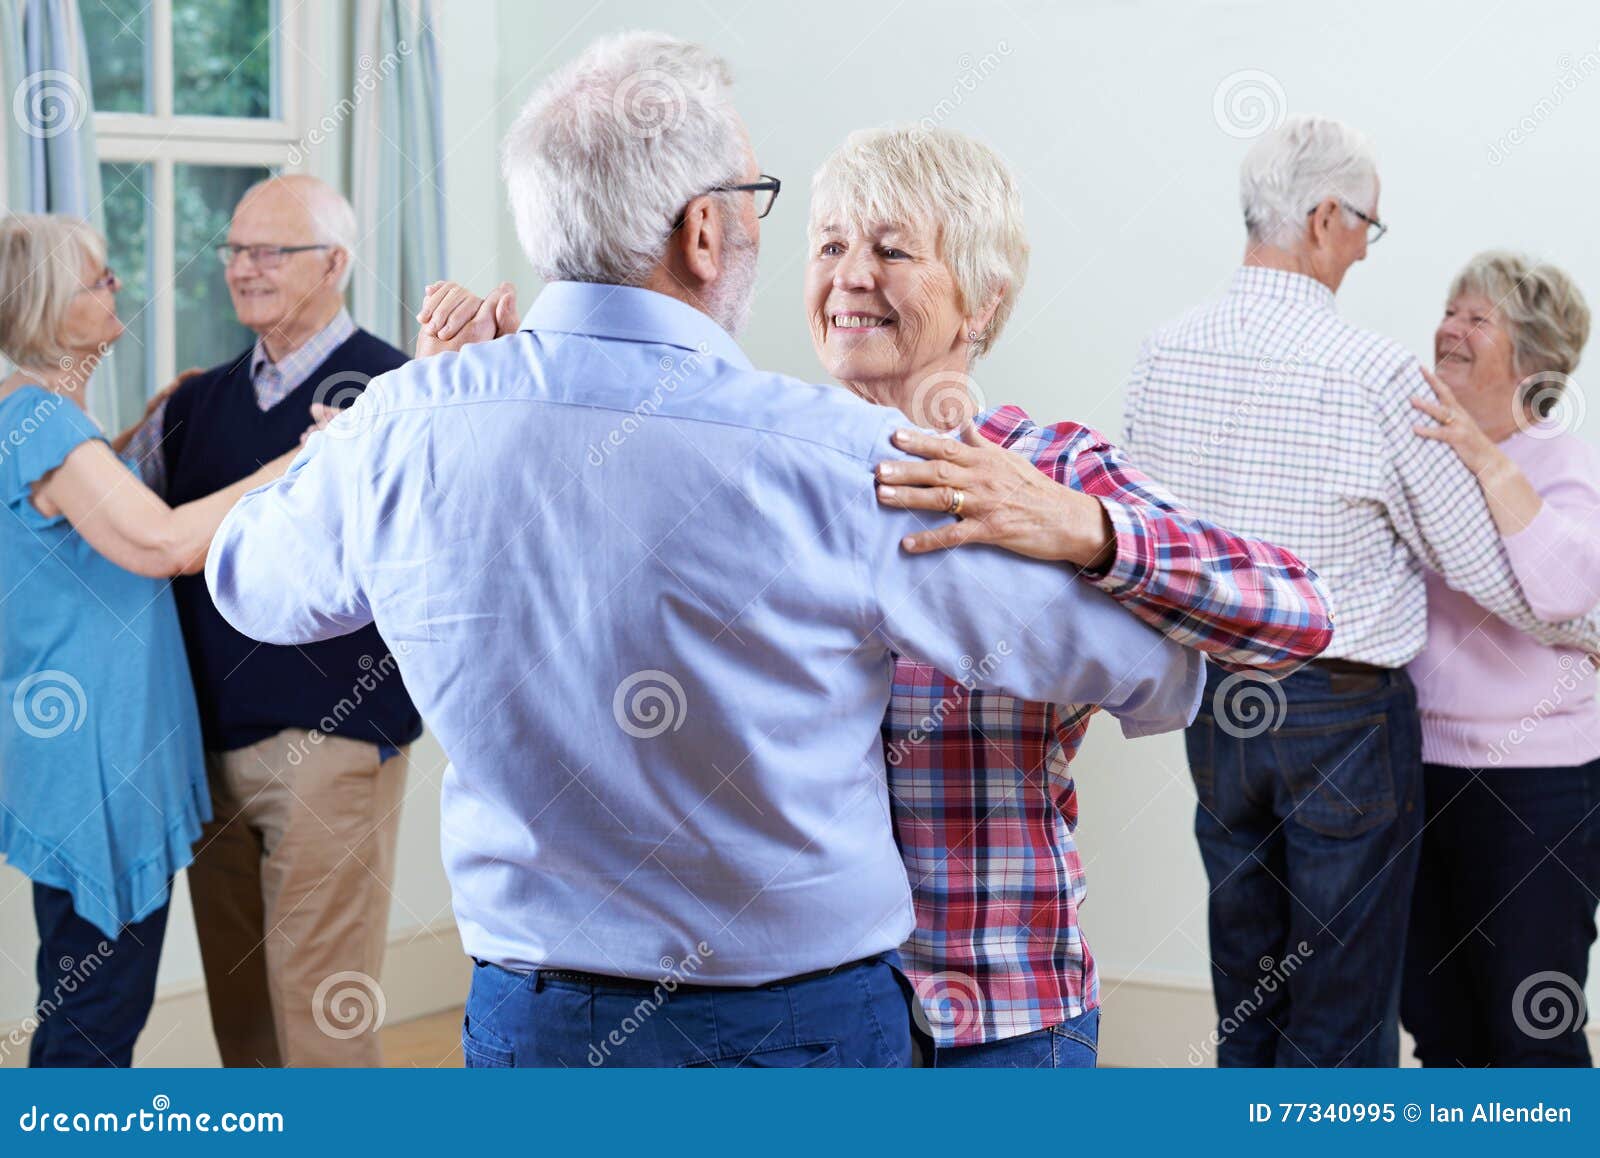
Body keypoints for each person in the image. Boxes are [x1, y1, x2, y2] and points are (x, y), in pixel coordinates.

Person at [202, 31, 1205, 1069]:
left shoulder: (408, 419)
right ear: (701, 234)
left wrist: (398, 427)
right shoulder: (836, 460)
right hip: (791, 1036)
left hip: (529, 1025)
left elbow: (250, 583)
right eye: (758, 201)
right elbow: (1151, 670)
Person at [792, 125, 1332, 1067]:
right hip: (810, 1015)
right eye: (831, 244)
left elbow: (1295, 612)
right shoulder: (776, 463)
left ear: (983, 297)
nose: (849, 276)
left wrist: (1085, 530)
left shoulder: (1050, 467)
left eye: (890, 249)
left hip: (1007, 1009)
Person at [1120, 115, 1600, 1067]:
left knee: (1248, 970)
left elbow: (1144, 532)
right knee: (1347, 997)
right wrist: (1586, 627)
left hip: (1219, 704)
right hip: (1342, 713)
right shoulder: (1372, 372)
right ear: (1328, 217)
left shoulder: (1164, 350)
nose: (1367, 253)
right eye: (1369, 228)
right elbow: (1485, 569)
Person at [122, 175, 424, 1068]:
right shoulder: (195, 402)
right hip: (207, 747)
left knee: (319, 1015)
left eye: (269, 251)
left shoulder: (397, 391)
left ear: (334, 264)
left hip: (333, 744)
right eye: (234, 250)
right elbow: (117, 523)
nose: (244, 268)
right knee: (243, 1015)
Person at [0, 213, 302, 1066]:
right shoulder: (49, 427)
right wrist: (308, 456)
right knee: (97, 1017)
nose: (116, 286)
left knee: (79, 996)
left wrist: (140, 430)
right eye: (98, 278)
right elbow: (164, 542)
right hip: (101, 761)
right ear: (54, 307)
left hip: (68, 747)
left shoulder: (29, 416)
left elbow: (69, 523)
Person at [1400, 252, 1600, 1066]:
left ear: (1534, 361)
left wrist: (1485, 457)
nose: (1450, 327)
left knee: (1530, 1033)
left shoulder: (1563, 459)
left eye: (1477, 318)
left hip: (1539, 789)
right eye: (1450, 310)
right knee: (1439, 1024)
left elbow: (1563, 590)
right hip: (1417, 772)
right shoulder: (1419, 447)